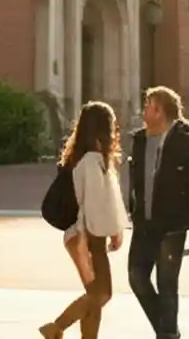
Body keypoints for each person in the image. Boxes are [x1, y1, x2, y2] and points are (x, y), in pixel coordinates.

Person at [127, 87, 189, 339]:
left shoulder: (184, 143)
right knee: (137, 277)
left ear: (160, 112)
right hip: (143, 223)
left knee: (167, 285)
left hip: (171, 226)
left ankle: (166, 334)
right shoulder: (140, 140)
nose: (144, 110)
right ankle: (168, 330)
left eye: (149, 105)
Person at [39, 101, 129, 339]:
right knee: (101, 294)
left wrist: (115, 230)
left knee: (96, 296)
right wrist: (106, 234)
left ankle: (74, 334)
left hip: (90, 236)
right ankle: (56, 327)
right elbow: (94, 205)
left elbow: (106, 201)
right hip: (86, 237)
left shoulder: (94, 159)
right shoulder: (90, 161)